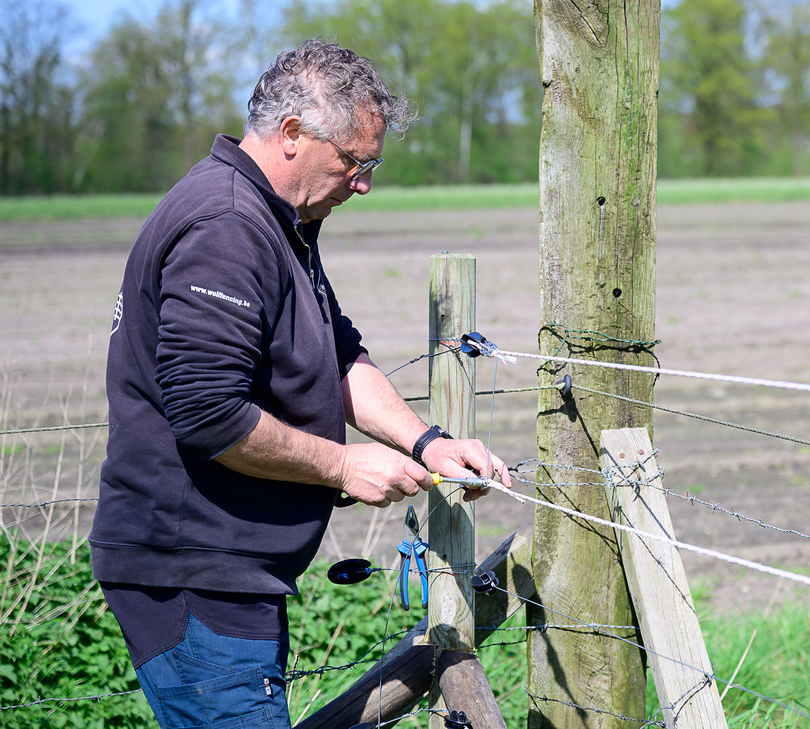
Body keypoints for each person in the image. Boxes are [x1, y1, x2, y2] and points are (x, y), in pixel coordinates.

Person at [89, 39, 510, 729]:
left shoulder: (282, 223)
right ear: (291, 133)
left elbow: (339, 355)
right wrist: (342, 464)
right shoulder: (227, 225)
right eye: (354, 160)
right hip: (193, 566)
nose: (364, 182)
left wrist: (427, 442)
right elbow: (205, 411)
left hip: (226, 565)